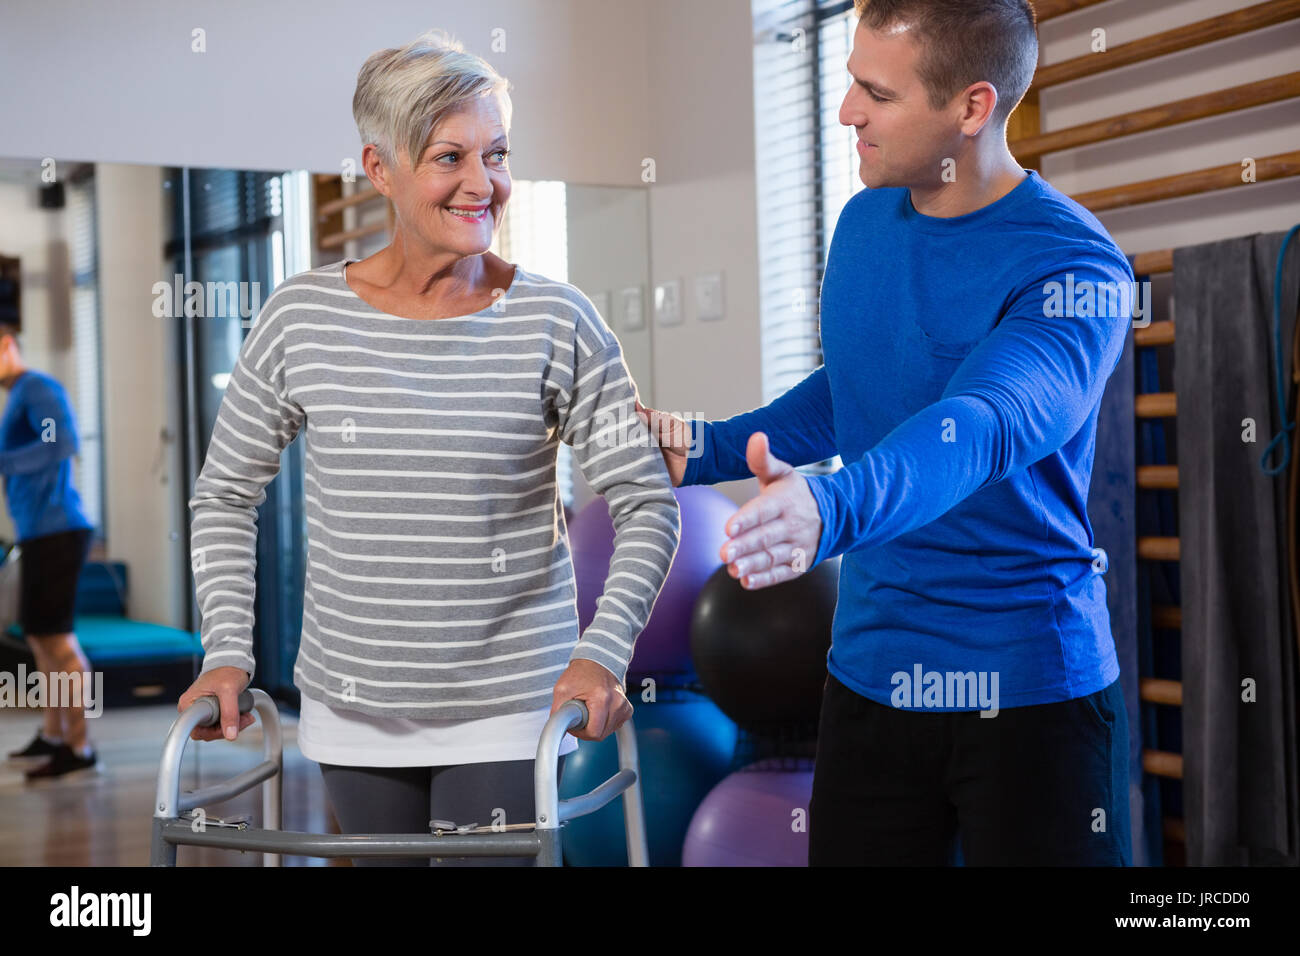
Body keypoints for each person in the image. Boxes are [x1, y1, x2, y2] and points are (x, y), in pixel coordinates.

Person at [639, 0, 1133, 865]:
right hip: (871, 676)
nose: (846, 114)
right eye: (848, 84)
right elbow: (854, 391)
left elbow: (980, 424)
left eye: (876, 92)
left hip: (1026, 691)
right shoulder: (866, 223)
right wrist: (705, 447)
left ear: (971, 108)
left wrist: (831, 507)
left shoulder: (1074, 269)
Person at [178, 29, 680, 866]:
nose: (483, 183)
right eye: (450, 156)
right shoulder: (302, 318)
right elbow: (226, 494)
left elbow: (644, 500)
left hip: (512, 701)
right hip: (351, 704)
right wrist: (227, 649)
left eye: (498, 154)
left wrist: (602, 651)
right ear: (380, 168)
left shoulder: (557, 320)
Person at [0, 321, 98, 780]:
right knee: (39, 638)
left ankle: (79, 748)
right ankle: (54, 734)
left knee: (57, 640)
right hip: (39, 533)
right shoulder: (19, 395)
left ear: (6, 345)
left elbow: (59, 442)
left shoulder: (38, 387)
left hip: (59, 531)